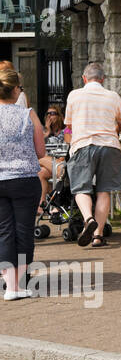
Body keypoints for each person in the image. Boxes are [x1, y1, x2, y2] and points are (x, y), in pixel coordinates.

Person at [64, 62, 121, 248]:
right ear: (103, 79)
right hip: (109, 145)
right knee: (104, 190)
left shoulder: (74, 95)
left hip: (83, 145)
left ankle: (88, 218)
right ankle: (98, 236)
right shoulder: (112, 96)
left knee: (81, 189)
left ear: (84, 78)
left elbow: (70, 125)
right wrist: (111, 131)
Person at [0, 65, 44, 300]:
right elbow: (40, 150)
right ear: (16, 90)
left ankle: (9, 287)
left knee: (4, 231)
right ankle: (18, 285)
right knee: (24, 231)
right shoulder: (28, 114)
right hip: (25, 179)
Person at [37, 103, 66, 207]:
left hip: (61, 163)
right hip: (49, 165)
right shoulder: (44, 132)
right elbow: (39, 146)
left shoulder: (65, 131)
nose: (49, 116)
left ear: (59, 116)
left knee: (37, 158)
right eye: (48, 113)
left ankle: (59, 201)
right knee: (40, 173)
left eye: (53, 113)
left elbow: (66, 151)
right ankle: (43, 203)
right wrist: (47, 131)